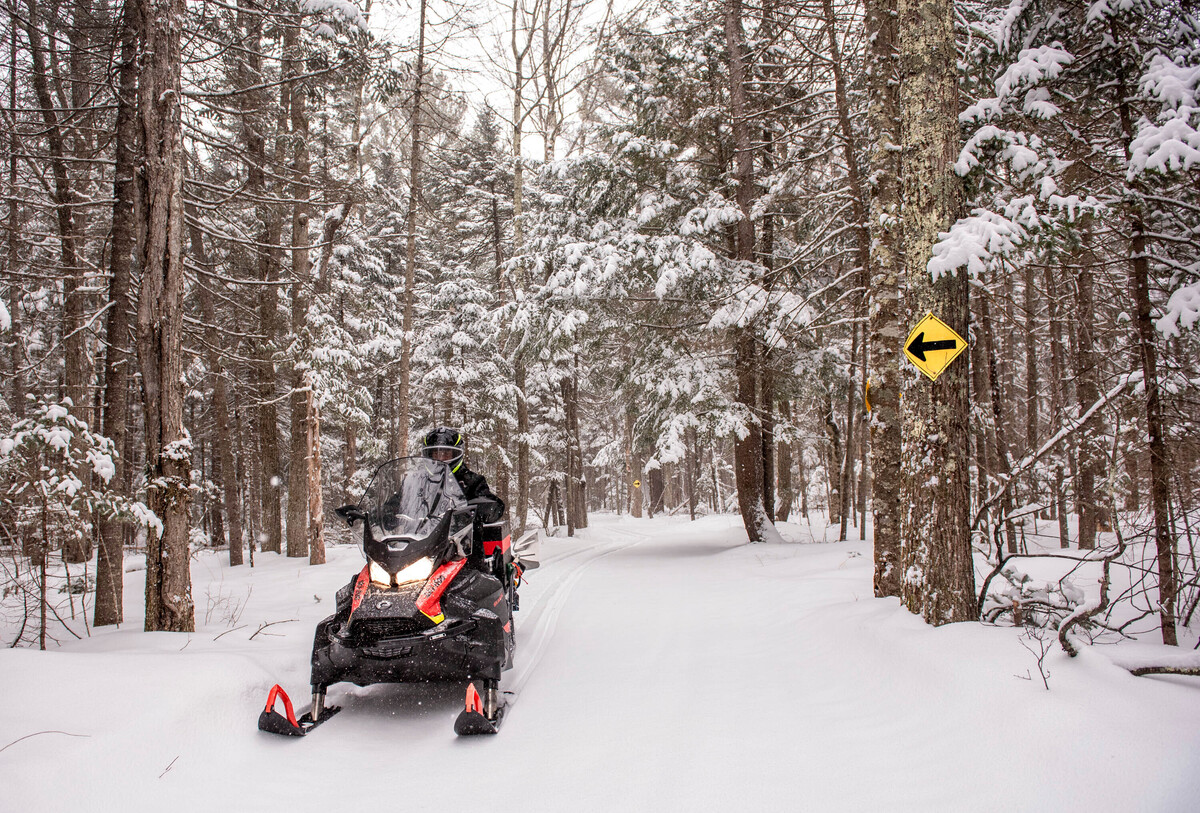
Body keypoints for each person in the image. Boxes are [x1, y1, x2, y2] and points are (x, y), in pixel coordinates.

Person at [420, 427, 505, 524]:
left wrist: (479, 508)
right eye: (436, 454)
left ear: (456, 454)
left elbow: (495, 508)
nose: (441, 459)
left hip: (463, 536)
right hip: (422, 535)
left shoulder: (473, 482)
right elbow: (402, 502)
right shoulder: (418, 481)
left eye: (446, 454)